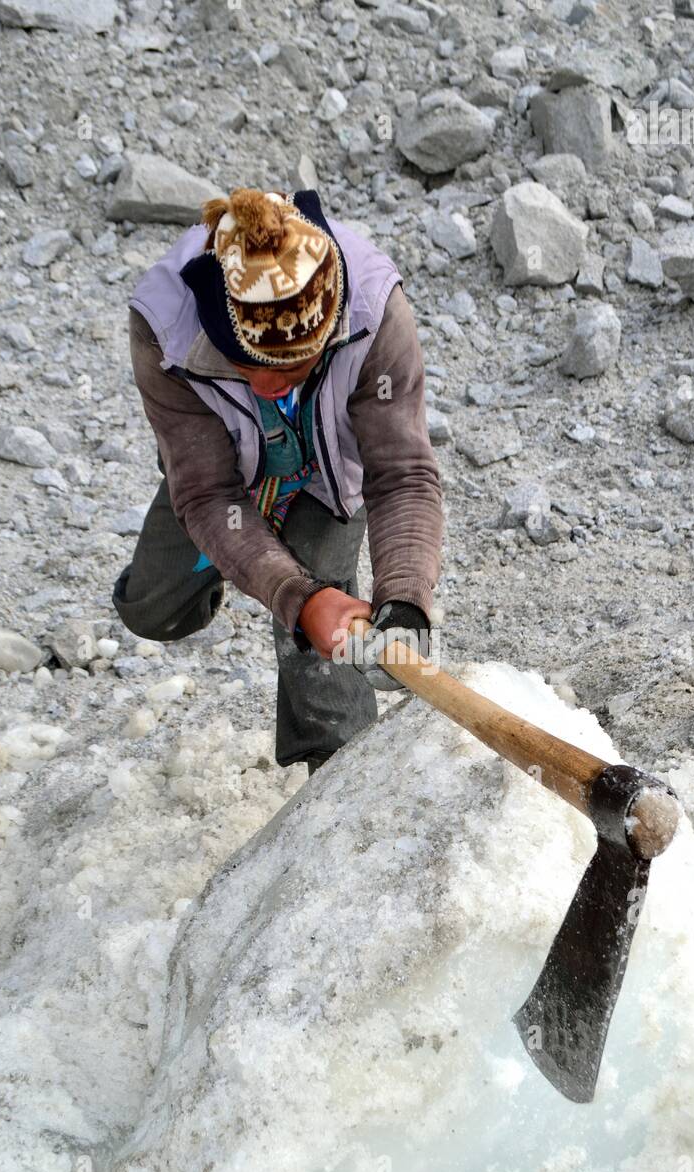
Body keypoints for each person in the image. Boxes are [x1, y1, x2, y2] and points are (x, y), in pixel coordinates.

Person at [114, 186, 442, 774]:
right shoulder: (162, 328)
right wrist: (286, 588)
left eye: (296, 367)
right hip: (221, 477)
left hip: (323, 475)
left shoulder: (374, 311)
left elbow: (402, 475)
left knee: (325, 659)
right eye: (252, 368)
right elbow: (210, 494)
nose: (271, 388)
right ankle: (245, 560)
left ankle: (338, 786)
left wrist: (403, 600)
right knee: (152, 609)